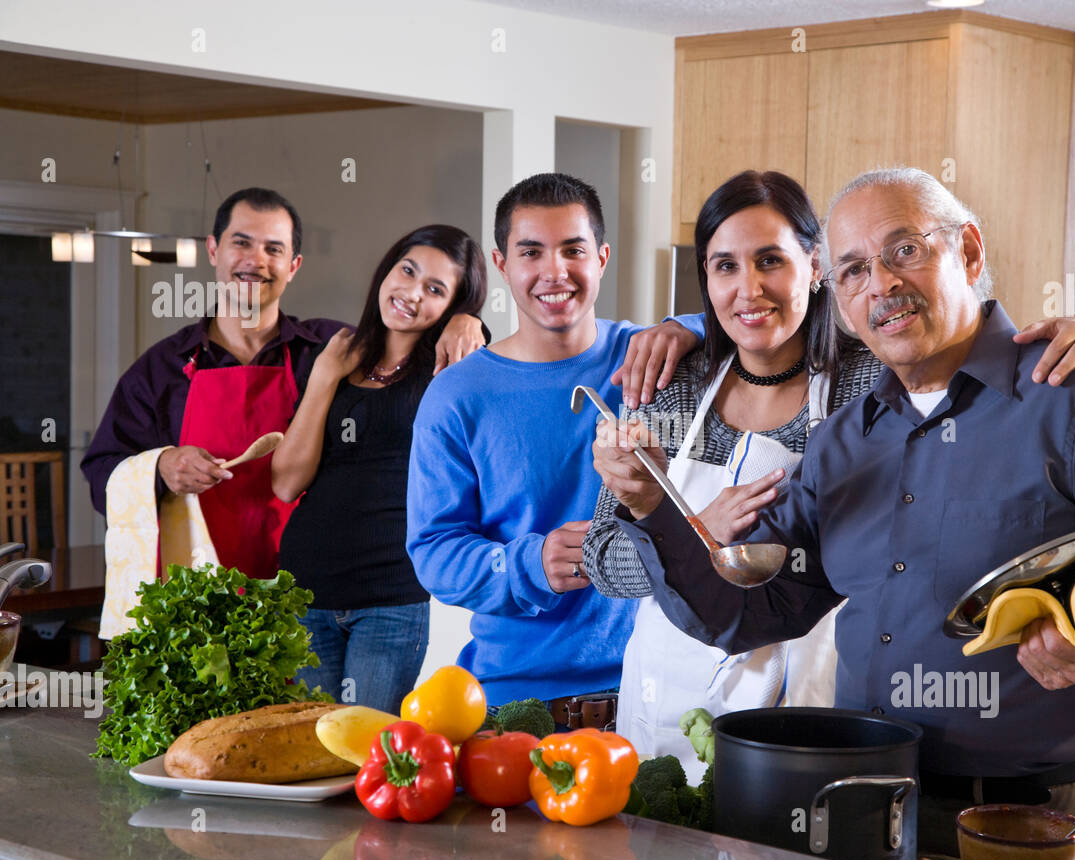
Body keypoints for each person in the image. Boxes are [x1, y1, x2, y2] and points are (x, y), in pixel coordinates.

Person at [603, 166, 1075, 860]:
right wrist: (652, 508)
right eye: (855, 269)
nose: (881, 285)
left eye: (905, 251)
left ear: (970, 252)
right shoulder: (844, 440)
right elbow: (744, 613)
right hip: (873, 811)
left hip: (1037, 821)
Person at [584, 170, 1075, 780]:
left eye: (772, 260)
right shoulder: (698, 392)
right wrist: (671, 522)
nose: (882, 285)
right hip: (769, 737)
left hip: (975, 787)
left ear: (813, 269)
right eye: (724, 267)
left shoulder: (895, 388)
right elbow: (662, 580)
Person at [405, 173, 706, 718]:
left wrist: (690, 327)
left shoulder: (653, 359)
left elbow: (764, 329)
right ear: (502, 265)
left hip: (659, 692)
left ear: (602, 257)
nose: (555, 272)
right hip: (517, 704)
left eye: (573, 249)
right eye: (531, 252)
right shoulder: (455, 396)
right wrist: (526, 564)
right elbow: (432, 551)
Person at [81, 187, 487, 581]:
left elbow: (410, 340)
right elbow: (102, 472)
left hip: (309, 586)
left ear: (293, 266)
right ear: (213, 250)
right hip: (193, 592)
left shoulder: (337, 350)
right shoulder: (160, 368)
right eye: (241, 243)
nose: (256, 261)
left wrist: (465, 318)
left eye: (274, 249)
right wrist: (160, 467)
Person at [272, 225, 487, 714]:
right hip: (305, 588)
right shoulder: (334, 358)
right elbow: (286, 483)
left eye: (435, 289)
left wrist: (471, 321)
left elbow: (492, 361)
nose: (411, 293)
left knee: (366, 753)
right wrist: (326, 377)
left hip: (391, 595)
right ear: (387, 269)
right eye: (407, 271)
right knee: (309, 751)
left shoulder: (448, 367)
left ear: (454, 305)